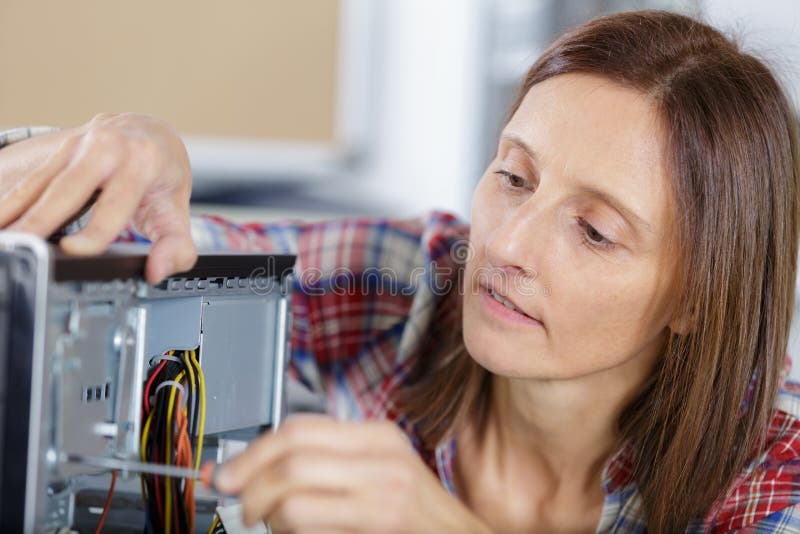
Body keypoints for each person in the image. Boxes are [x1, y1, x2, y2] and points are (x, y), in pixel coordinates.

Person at [1, 9, 799, 533]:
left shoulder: (778, 466)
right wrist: (127, 167)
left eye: (593, 230)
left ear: (698, 295)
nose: (507, 246)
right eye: (513, 177)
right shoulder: (410, 280)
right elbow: (147, 246)